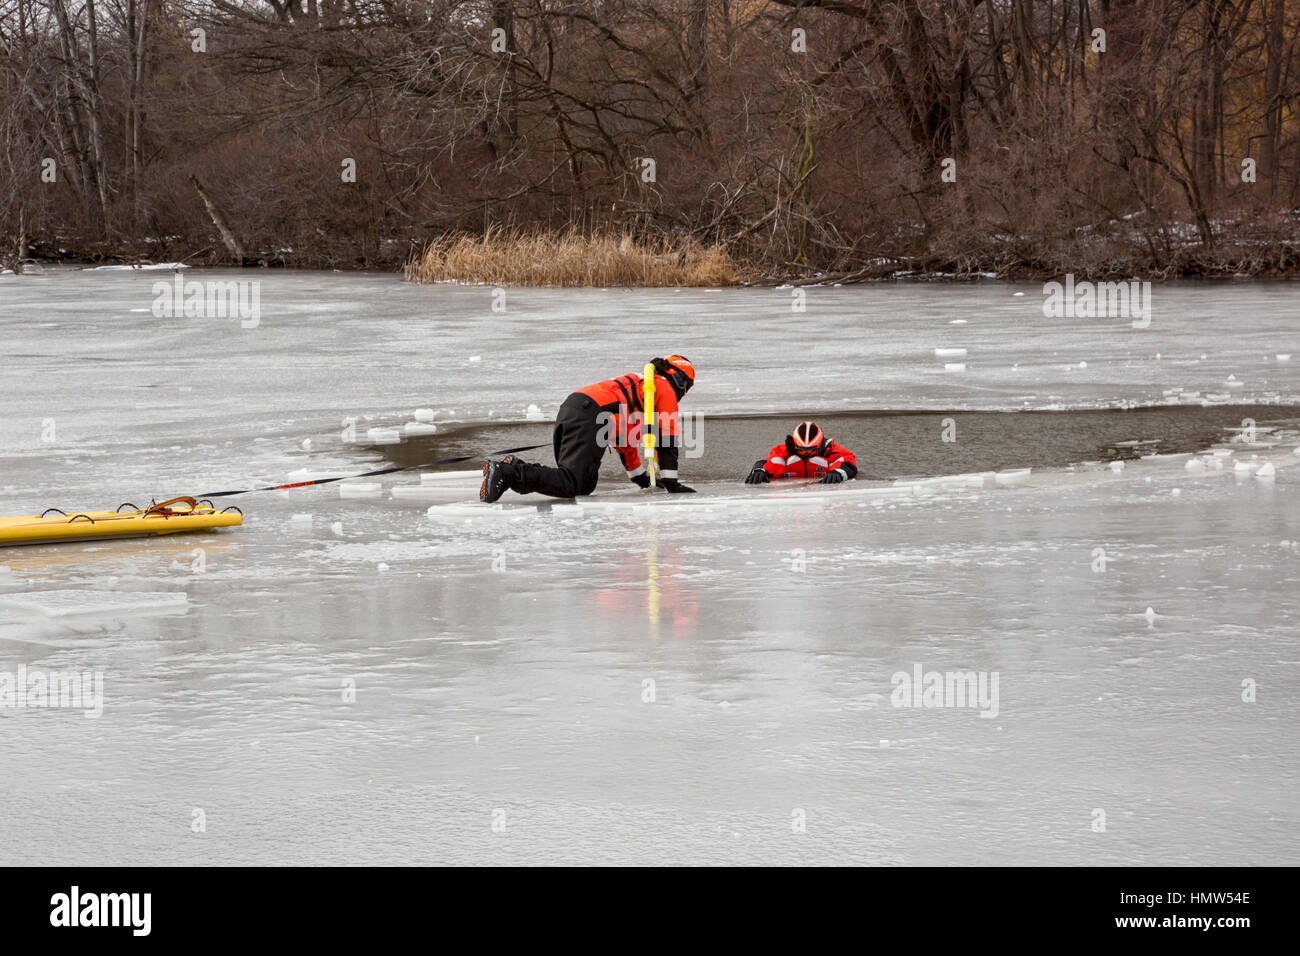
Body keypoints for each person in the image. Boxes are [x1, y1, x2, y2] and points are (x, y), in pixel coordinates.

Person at [481, 355, 697, 502]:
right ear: (680, 380)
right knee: (573, 483)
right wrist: (672, 483)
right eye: (686, 386)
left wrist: (640, 478)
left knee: (583, 484)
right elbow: (667, 436)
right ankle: (508, 472)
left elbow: (625, 441)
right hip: (589, 413)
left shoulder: (642, 389)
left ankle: (515, 467)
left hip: (575, 407)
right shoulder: (663, 386)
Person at [744, 420, 857, 484]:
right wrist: (760, 470)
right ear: (795, 445)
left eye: (812, 450)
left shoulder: (831, 450)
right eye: (802, 450)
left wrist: (837, 473)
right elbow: (770, 462)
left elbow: (847, 461)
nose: (806, 454)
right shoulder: (784, 451)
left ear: (820, 445)